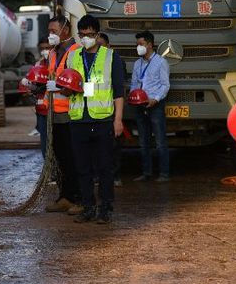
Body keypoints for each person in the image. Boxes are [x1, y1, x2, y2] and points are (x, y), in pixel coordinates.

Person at [64, 15, 125, 224]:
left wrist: (118, 120)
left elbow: (118, 92)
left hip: (103, 120)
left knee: (104, 167)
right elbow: (66, 86)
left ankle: (105, 208)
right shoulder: (72, 57)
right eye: (81, 35)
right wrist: (64, 88)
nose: (85, 39)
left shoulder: (111, 58)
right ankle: (88, 207)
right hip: (79, 120)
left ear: (98, 35)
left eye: (89, 35)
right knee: (82, 168)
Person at [43, 15, 83, 214]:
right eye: (49, 31)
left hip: (71, 114)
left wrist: (58, 87)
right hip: (54, 114)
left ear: (65, 30)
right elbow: (49, 77)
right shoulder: (52, 53)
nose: (50, 34)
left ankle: (78, 198)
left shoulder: (76, 52)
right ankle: (65, 196)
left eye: (53, 31)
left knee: (74, 158)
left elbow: (78, 83)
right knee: (60, 158)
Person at [130, 30, 171, 182]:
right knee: (143, 141)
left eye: (141, 44)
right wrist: (134, 95)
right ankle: (146, 172)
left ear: (149, 45)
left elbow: (165, 85)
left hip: (155, 105)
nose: (138, 47)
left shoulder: (161, 62)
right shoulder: (137, 63)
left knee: (160, 141)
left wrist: (155, 99)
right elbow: (135, 83)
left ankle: (164, 174)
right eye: (137, 44)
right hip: (140, 105)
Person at [98, 32, 125, 187]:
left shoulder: (115, 60)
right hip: (96, 113)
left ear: (108, 46)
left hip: (112, 110)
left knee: (113, 146)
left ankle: (115, 176)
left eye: (101, 45)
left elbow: (118, 89)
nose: (99, 48)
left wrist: (118, 118)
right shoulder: (89, 61)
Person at [21, 40, 52, 157]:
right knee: (44, 139)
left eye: (48, 48)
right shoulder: (38, 65)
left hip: (56, 109)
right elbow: (34, 84)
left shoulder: (58, 63)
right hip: (41, 108)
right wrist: (29, 86)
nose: (45, 51)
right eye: (42, 48)